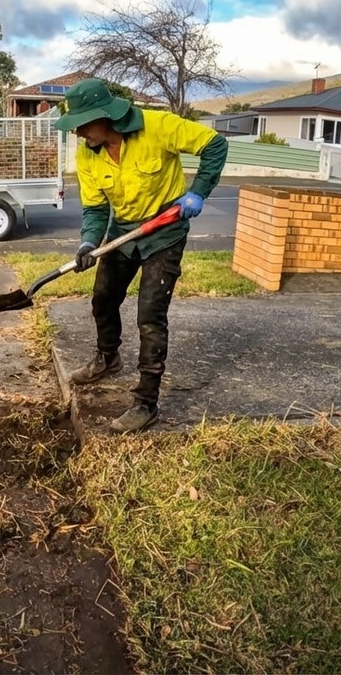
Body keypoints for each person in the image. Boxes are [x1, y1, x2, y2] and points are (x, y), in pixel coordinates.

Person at [52, 78, 227, 433]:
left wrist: (198, 193)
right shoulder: (88, 152)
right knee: (103, 298)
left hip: (165, 229)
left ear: (105, 117)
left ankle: (146, 402)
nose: (78, 134)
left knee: (150, 315)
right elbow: (96, 209)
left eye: (83, 124)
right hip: (124, 232)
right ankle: (107, 358)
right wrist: (88, 243)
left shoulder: (157, 126)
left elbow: (216, 145)